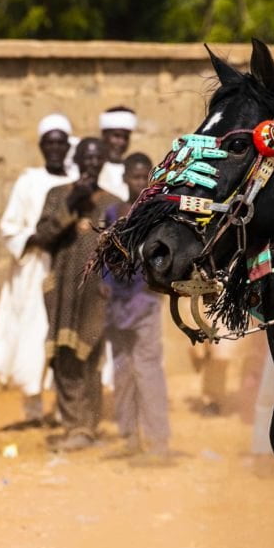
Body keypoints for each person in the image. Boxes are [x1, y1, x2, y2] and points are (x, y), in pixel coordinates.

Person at [0, 114, 80, 424]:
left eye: (60, 143)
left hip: (69, 265)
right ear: (41, 146)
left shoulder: (79, 181)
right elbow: (10, 228)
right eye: (49, 143)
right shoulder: (28, 182)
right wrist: (39, 238)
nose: (55, 148)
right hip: (34, 270)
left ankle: (67, 409)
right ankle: (33, 409)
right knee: (32, 334)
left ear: (68, 145)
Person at [32, 137, 119, 451]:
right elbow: (42, 237)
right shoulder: (58, 195)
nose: (92, 164)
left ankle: (89, 426)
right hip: (63, 292)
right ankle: (74, 426)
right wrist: (71, 206)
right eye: (87, 158)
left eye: (98, 159)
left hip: (97, 293)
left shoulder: (112, 203)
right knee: (63, 357)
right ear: (78, 161)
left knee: (90, 356)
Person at [103, 152, 173, 460]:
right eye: (133, 176)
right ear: (124, 178)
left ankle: (158, 442)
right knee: (122, 370)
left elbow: (162, 255)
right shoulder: (113, 213)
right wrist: (106, 282)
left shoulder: (155, 215)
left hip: (144, 302)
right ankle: (129, 436)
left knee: (147, 369)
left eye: (144, 176)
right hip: (117, 305)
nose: (139, 182)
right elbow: (105, 251)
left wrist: (153, 278)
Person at [96, 106, 137, 201]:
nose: (121, 142)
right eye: (116, 136)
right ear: (104, 135)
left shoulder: (131, 169)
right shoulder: (91, 167)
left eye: (125, 137)